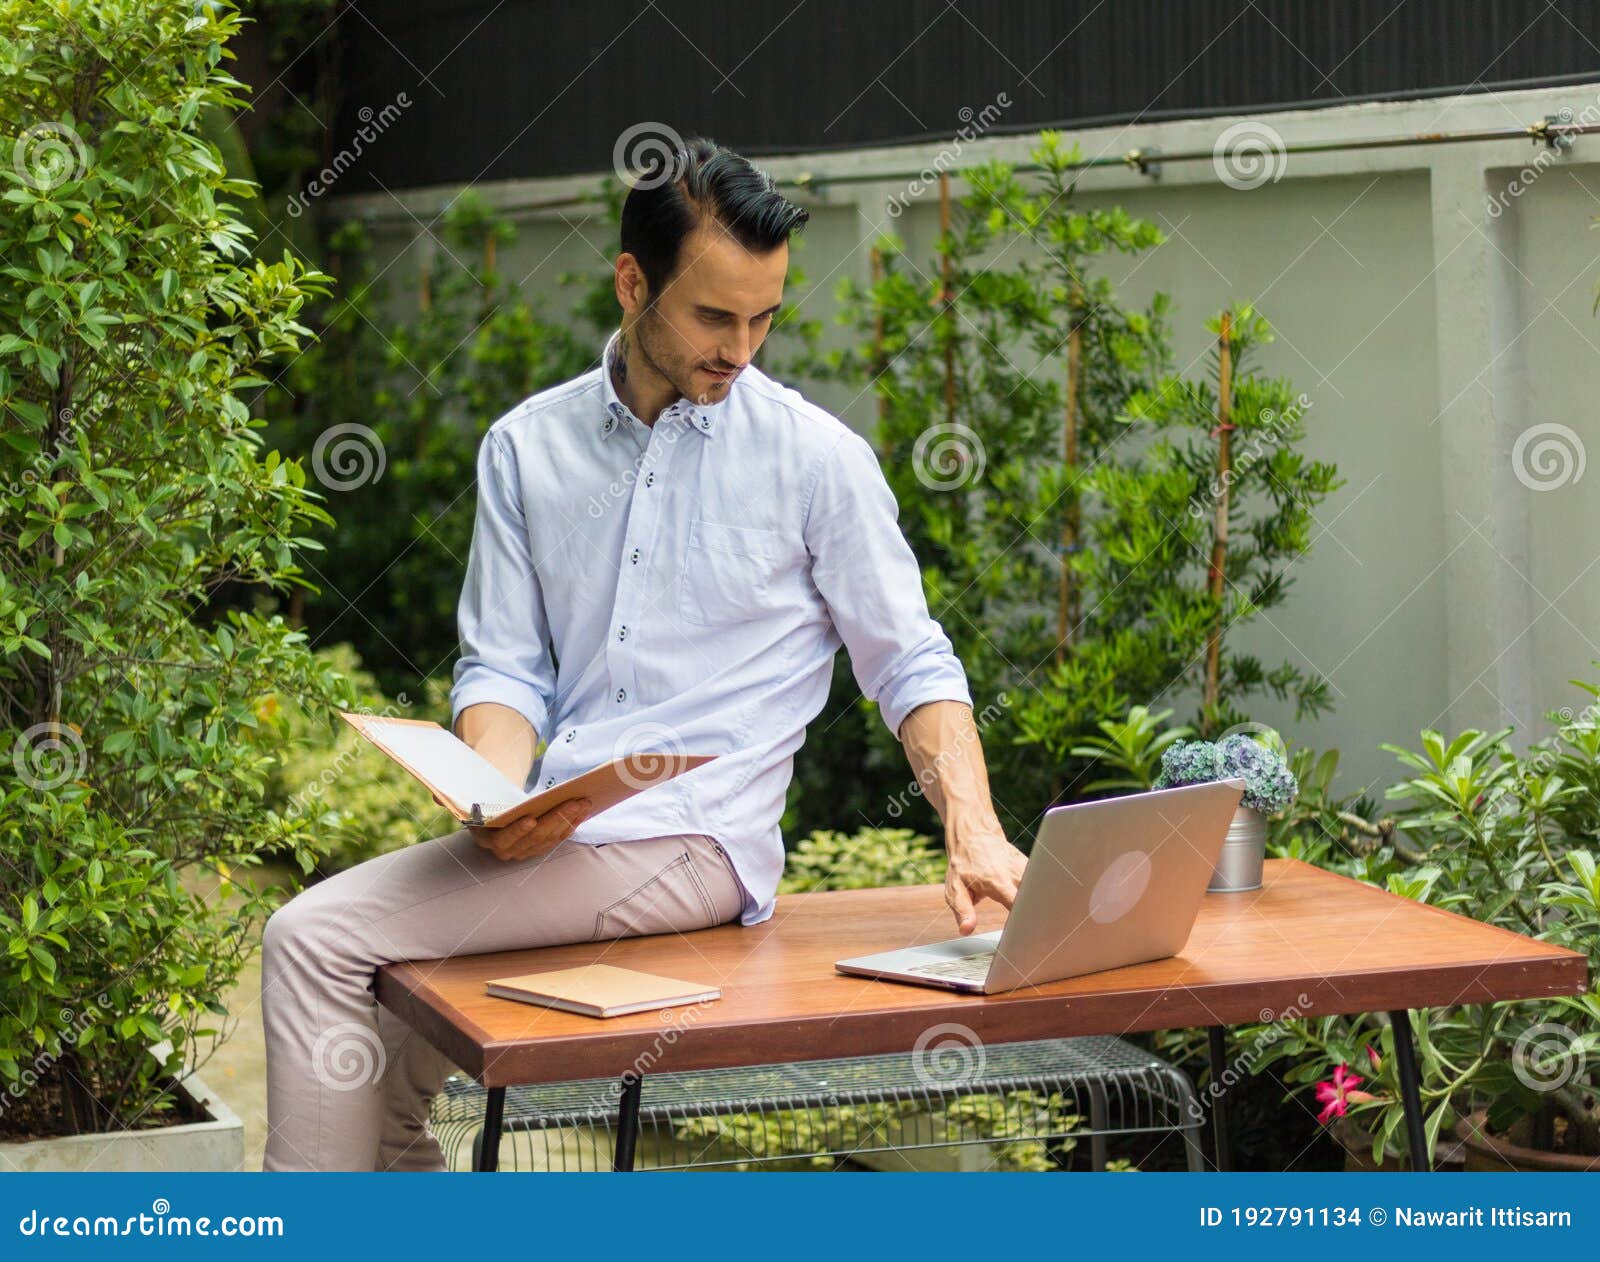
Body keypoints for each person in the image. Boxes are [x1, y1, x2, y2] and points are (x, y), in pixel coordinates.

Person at [260, 135, 1027, 1171]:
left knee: (309, 940)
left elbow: (911, 666)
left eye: (764, 317)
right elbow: (504, 670)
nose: (741, 347)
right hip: (563, 831)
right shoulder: (526, 446)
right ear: (633, 282)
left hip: (695, 842)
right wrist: (495, 799)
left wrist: (972, 829)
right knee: (388, 1054)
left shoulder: (816, 461)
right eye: (714, 315)